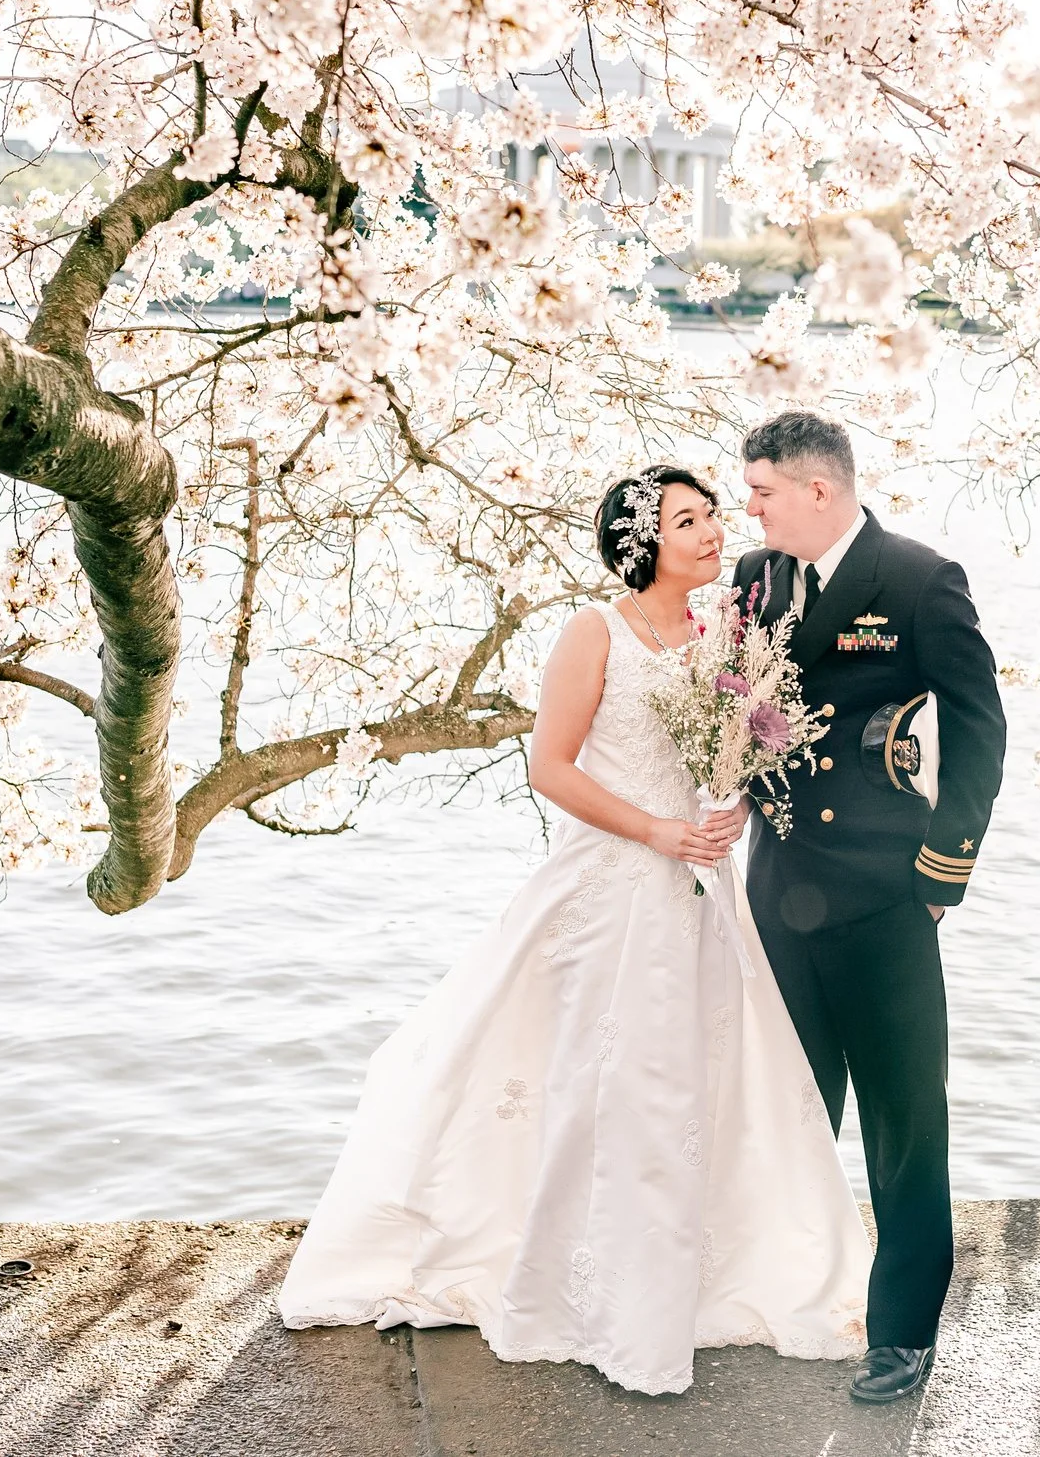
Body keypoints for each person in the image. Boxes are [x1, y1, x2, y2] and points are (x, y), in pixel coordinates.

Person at [277, 464, 870, 1396]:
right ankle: (588, 1283)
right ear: (645, 544)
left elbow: (735, 750)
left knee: (697, 1079)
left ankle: (687, 1276)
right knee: (614, 1084)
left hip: (702, 884)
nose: (714, 531)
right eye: (688, 520)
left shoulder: (725, 633)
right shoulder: (595, 631)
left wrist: (728, 806)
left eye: (712, 514)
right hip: (611, 885)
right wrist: (656, 830)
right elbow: (550, 768)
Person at [732, 410, 1008, 1405]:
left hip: (886, 894)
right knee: (794, 1109)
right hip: (778, 888)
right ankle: (798, 1297)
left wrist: (943, 872)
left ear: (819, 488)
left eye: (763, 491)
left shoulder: (919, 579)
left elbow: (978, 728)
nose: (751, 510)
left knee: (903, 1122)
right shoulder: (754, 580)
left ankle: (900, 1334)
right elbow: (735, 715)